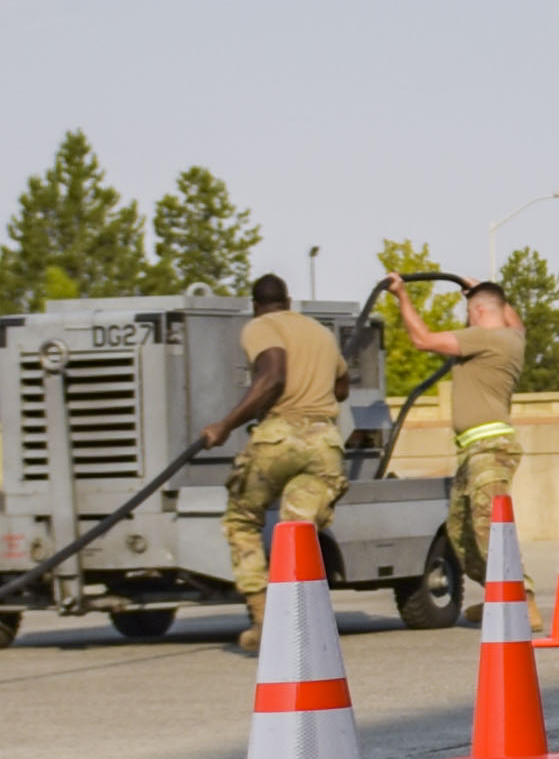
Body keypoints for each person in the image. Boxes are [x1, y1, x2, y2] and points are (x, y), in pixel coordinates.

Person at [193, 272, 345, 644]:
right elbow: (341, 387)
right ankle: (298, 616)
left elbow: (273, 375)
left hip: (279, 437)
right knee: (296, 531)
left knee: (242, 520)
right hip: (324, 443)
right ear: (289, 302)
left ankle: (264, 620)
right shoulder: (321, 333)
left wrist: (225, 425)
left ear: (256, 306)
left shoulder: (260, 326)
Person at [381, 270, 527, 580]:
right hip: (475, 451)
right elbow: (514, 320)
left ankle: (519, 597)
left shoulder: (483, 338)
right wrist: (479, 290)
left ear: (479, 310)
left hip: (489, 449)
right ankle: (498, 598)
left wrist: (402, 296)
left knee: (489, 528)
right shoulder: (513, 338)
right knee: (460, 531)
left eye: (469, 309)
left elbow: (422, 340)